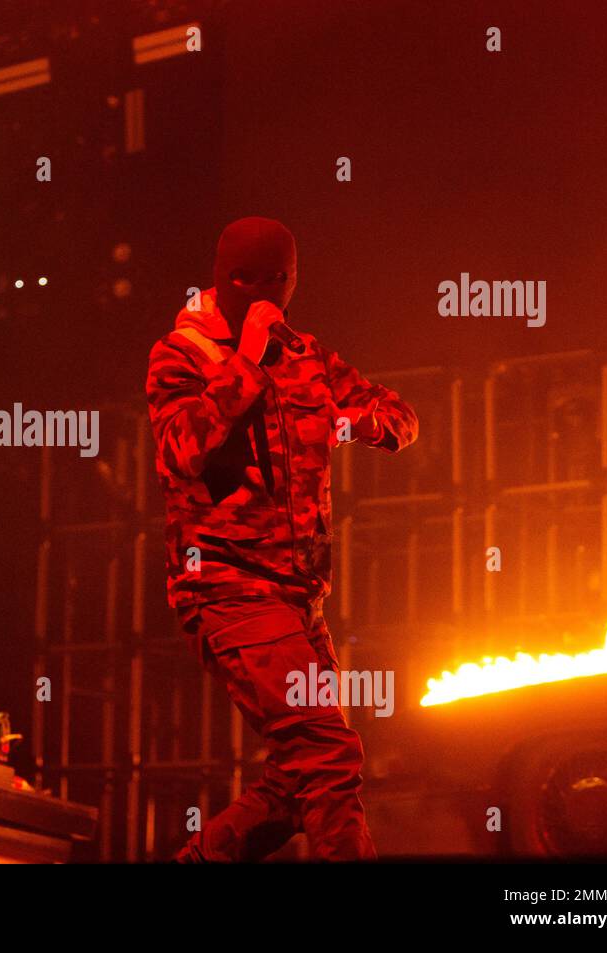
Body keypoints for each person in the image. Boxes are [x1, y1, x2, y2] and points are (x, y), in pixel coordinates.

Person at [146, 216, 419, 862]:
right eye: (248, 280)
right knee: (326, 753)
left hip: (299, 598)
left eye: (277, 280)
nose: (265, 292)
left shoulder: (307, 354)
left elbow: (402, 417)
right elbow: (182, 450)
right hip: (225, 586)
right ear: (222, 279)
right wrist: (244, 362)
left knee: (298, 783)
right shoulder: (181, 354)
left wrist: (356, 423)